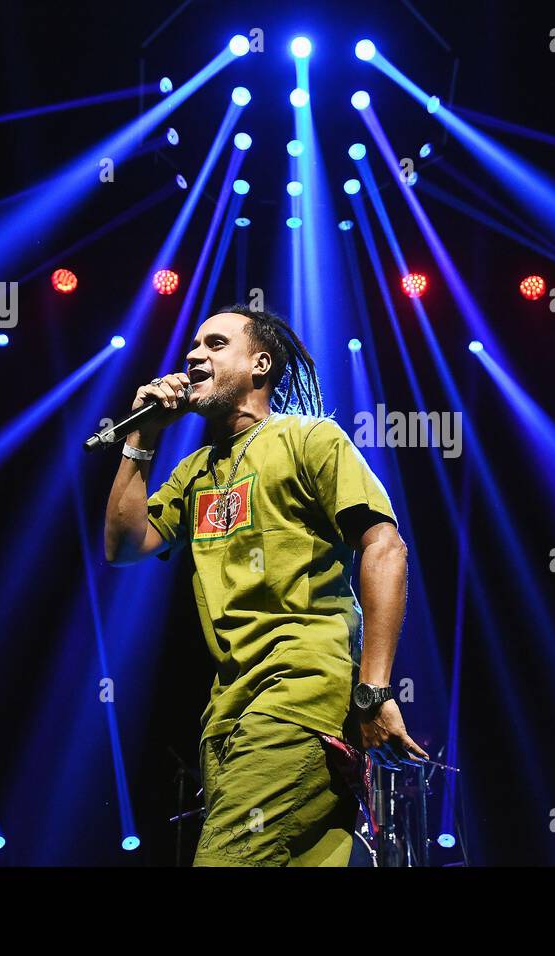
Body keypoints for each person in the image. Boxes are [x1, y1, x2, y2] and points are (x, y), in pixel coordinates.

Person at [104, 303, 426, 866]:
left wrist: (374, 690)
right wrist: (142, 438)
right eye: (192, 348)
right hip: (228, 709)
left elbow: (385, 547)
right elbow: (125, 546)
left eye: (214, 344)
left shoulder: (309, 440)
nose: (193, 356)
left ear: (260, 363)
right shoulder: (195, 472)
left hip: (297, 690)